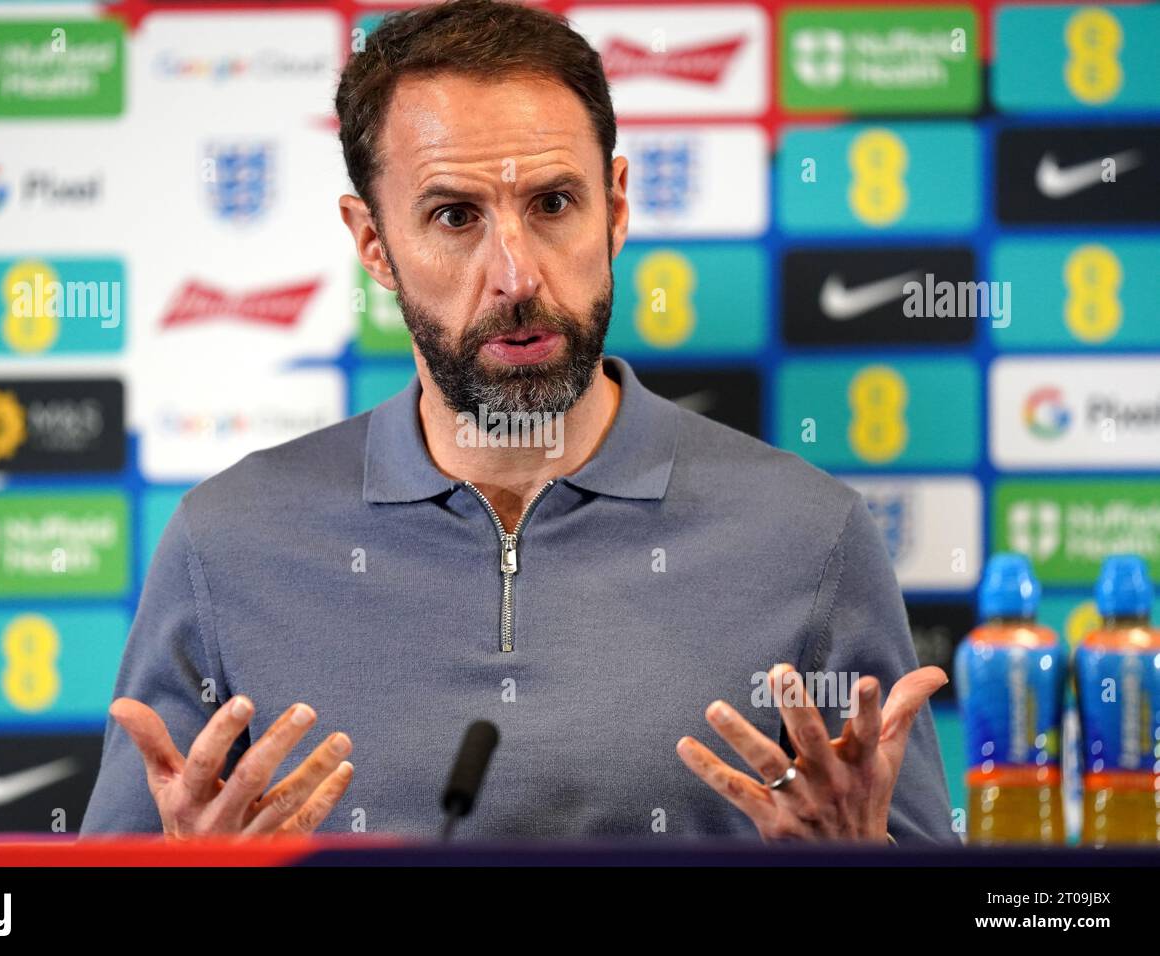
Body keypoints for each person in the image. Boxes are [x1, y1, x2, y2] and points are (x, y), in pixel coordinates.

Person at [81, 0, 956, 844]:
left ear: (615, 206)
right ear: (373, 242)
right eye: (455, 216)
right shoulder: (227, 543)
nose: (516, 275)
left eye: (552, 204)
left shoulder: (812, 536)